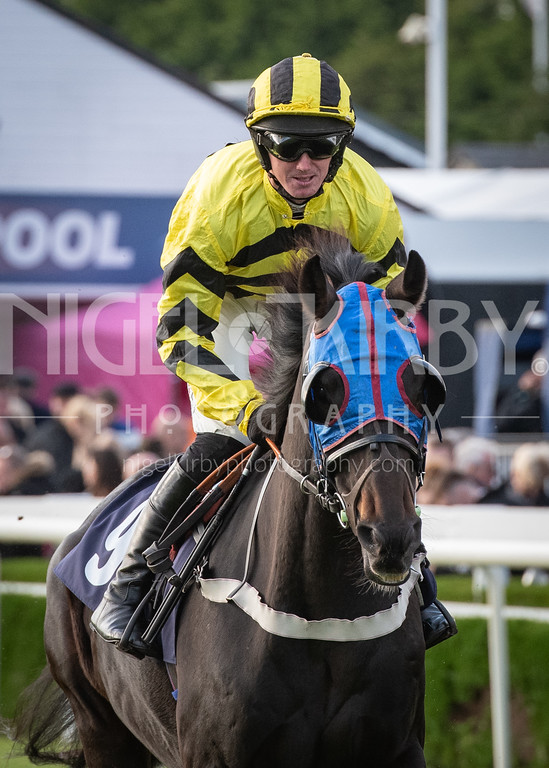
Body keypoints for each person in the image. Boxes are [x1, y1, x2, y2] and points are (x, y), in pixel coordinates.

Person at [91, 53, 455, 656]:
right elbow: (181, 322)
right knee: (224, 442)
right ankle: (129, 584)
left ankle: (417, 577)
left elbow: (389, 313)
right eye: (287, 146)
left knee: (375, 437)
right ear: (261, 144)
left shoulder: (366, 193)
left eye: (323, 147)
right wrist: (244, 406)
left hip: (323, 314)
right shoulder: (219, 192)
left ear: (342, 148)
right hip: (231, 314)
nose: (305, 164)